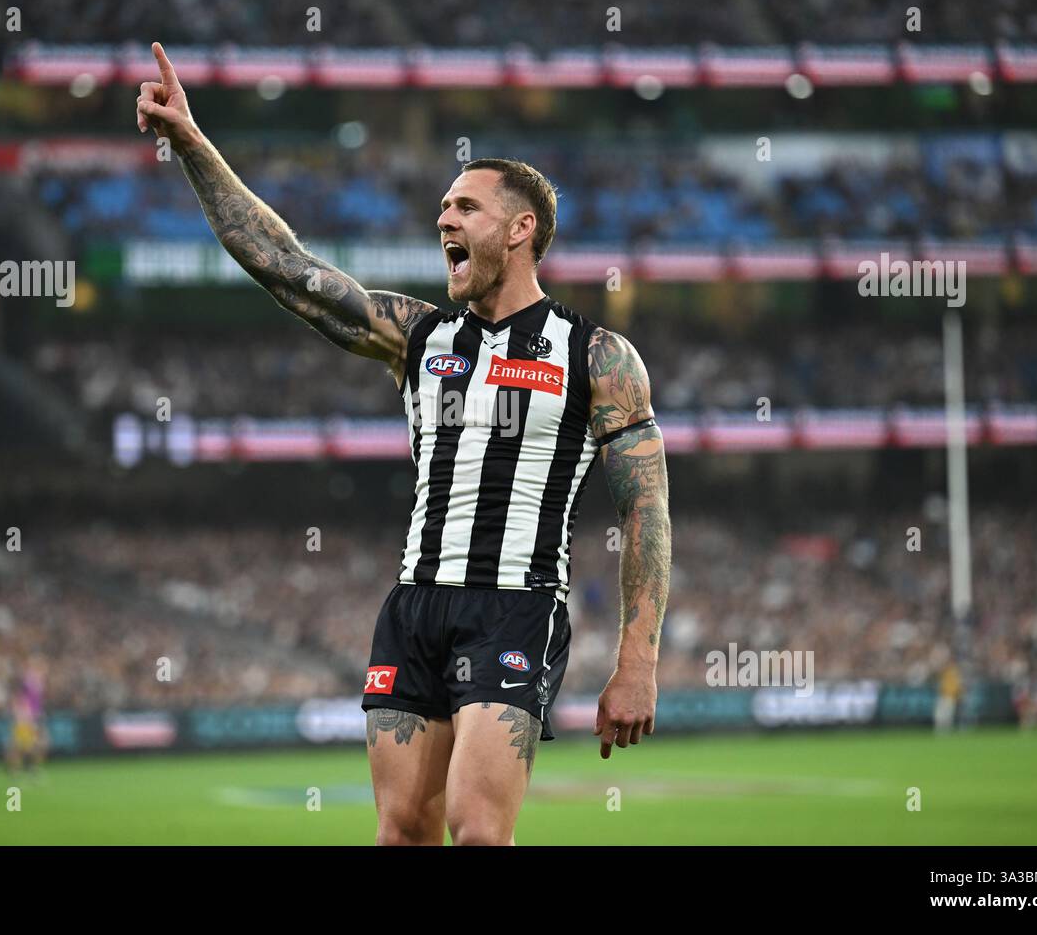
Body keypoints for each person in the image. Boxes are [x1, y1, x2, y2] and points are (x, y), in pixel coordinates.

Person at [136, 43, 671, 845]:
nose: (442, 219)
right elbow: (285, 267)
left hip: (515, 610)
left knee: (480, 832)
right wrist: (192, 143)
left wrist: (639, 660)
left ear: (521, 229)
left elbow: (646, 510)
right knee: (401, 835)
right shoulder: (418, 336)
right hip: (413, 607)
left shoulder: (596, 355)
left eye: (464, 208)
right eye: (442, 209)